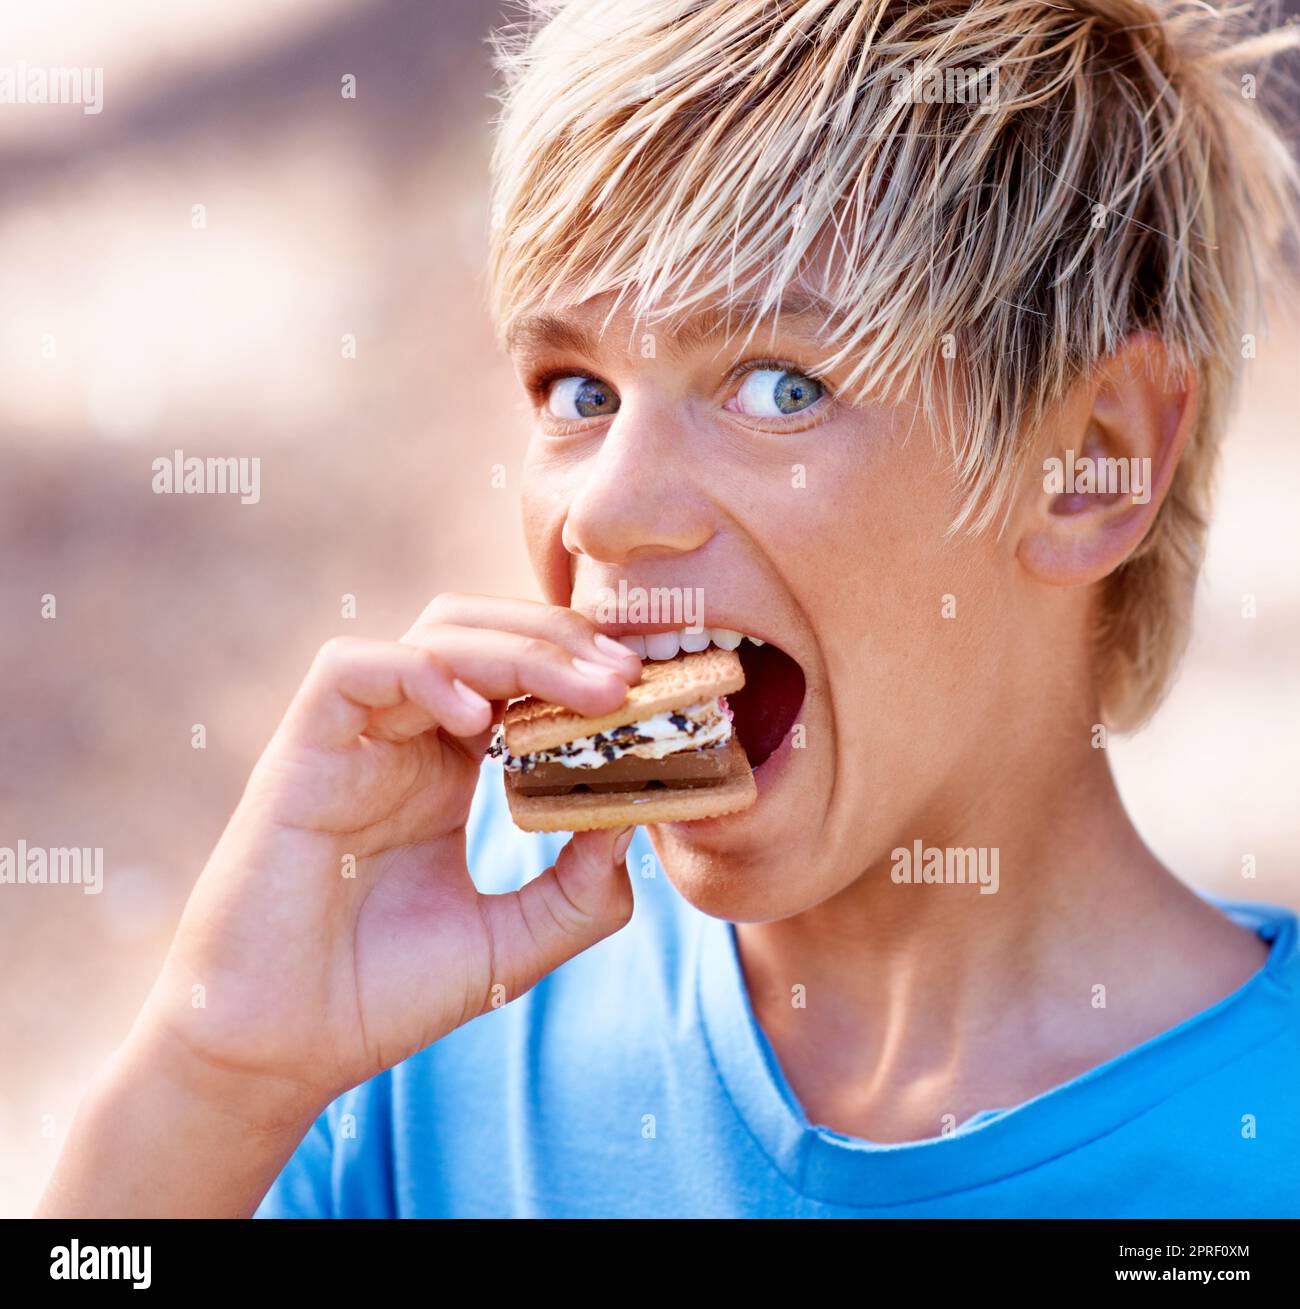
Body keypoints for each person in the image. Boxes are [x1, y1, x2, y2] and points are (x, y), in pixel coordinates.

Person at [39, 0, 1300, 1217]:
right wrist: (220, 1074)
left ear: (1089, 459)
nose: (602, 510)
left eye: (775, 385)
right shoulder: (431, 982)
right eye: (579, 391)